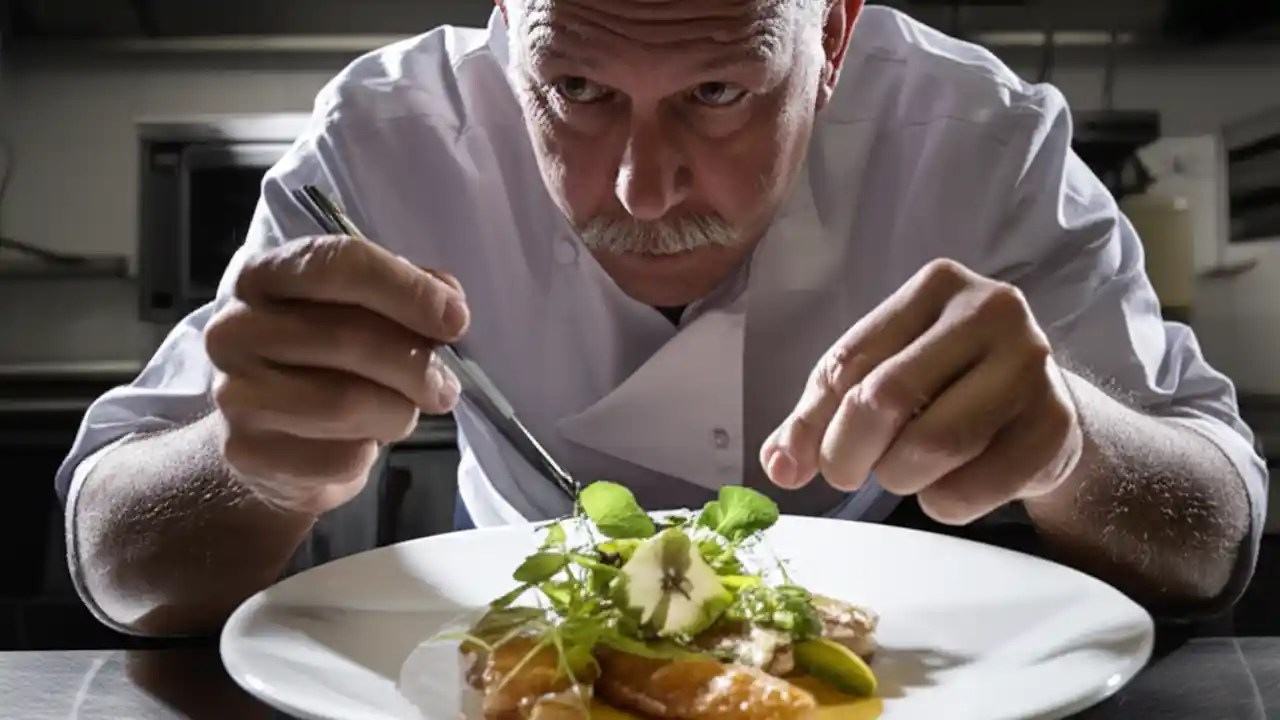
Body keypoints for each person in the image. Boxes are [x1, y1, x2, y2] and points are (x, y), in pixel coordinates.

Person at [58, 0, 1267, 638]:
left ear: (829, 37)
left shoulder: (982, 140)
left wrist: (1069, 450)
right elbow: (114, 561)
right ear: (507, 30)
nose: (640, 189)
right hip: (510, 649)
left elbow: (1214, 541)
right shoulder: (382, 138)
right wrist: (248, 466)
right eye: (576, 88)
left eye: (718, 90)